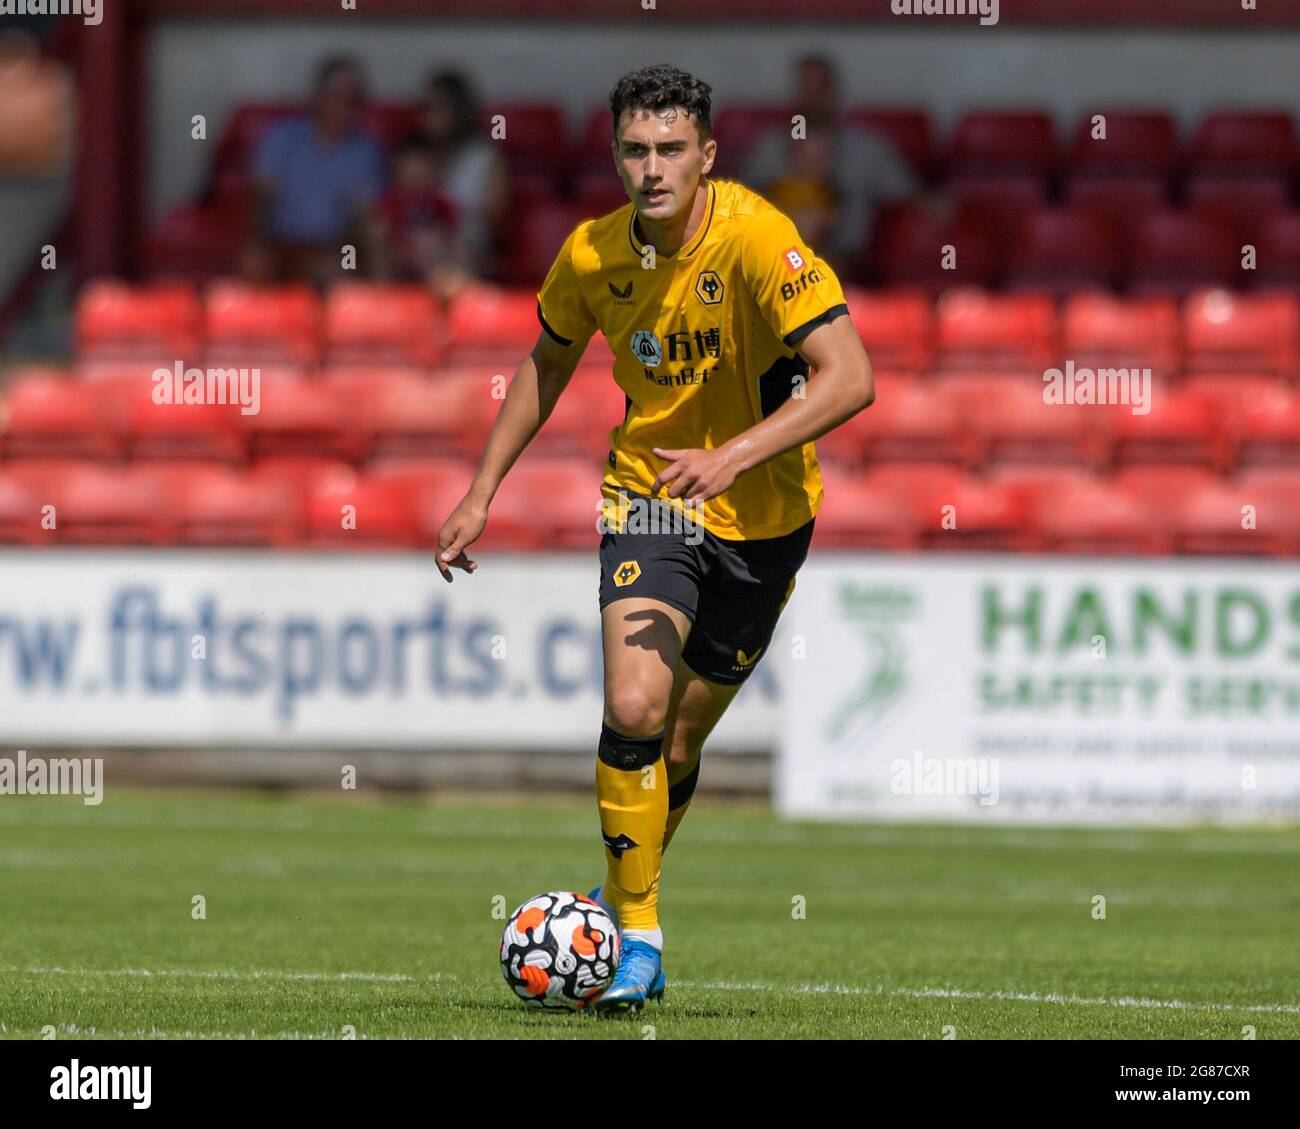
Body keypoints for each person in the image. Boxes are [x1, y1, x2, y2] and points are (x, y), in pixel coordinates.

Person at [434, 63, 875, 1013]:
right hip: (653, 498)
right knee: (636, 701)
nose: (652, 168)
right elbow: (546, 365)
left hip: (766, 520)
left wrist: (736, 455)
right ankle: (639, 935)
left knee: (677, 739)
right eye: (635, 150)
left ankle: (616, 901)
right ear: (615, 155)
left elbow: (850, 377)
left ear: (707, 154)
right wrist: (481, 490)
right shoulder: (591, 256)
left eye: (671, 149)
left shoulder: (760, 238)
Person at [742, 53, 921, 279]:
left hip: (848, 271)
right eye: (806, 89)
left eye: (820, 89)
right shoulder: (769, 148)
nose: (812, 98)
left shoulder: (867, 150)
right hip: (774, 268)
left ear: (834, 94)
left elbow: (911, 200)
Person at [244, 56, 385, 286]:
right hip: (280, 246)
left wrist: (338, 254)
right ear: (318, 96)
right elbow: (259, 198)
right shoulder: (282, 137)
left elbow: (363, 218)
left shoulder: (367, 153)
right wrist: (256, 246)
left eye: (354, 100)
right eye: (338, 98)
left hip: (334, 250)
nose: (345, 107)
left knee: (343, 270)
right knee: (253, 266)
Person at [407, 69, 509, 293]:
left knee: (451, 273)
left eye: (439, 108)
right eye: (426, 109)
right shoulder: (415, 156)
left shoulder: (486, 160)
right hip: (416, 247)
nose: (431, 117)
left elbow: (496, 224)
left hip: (468, 251)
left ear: (460, 111)